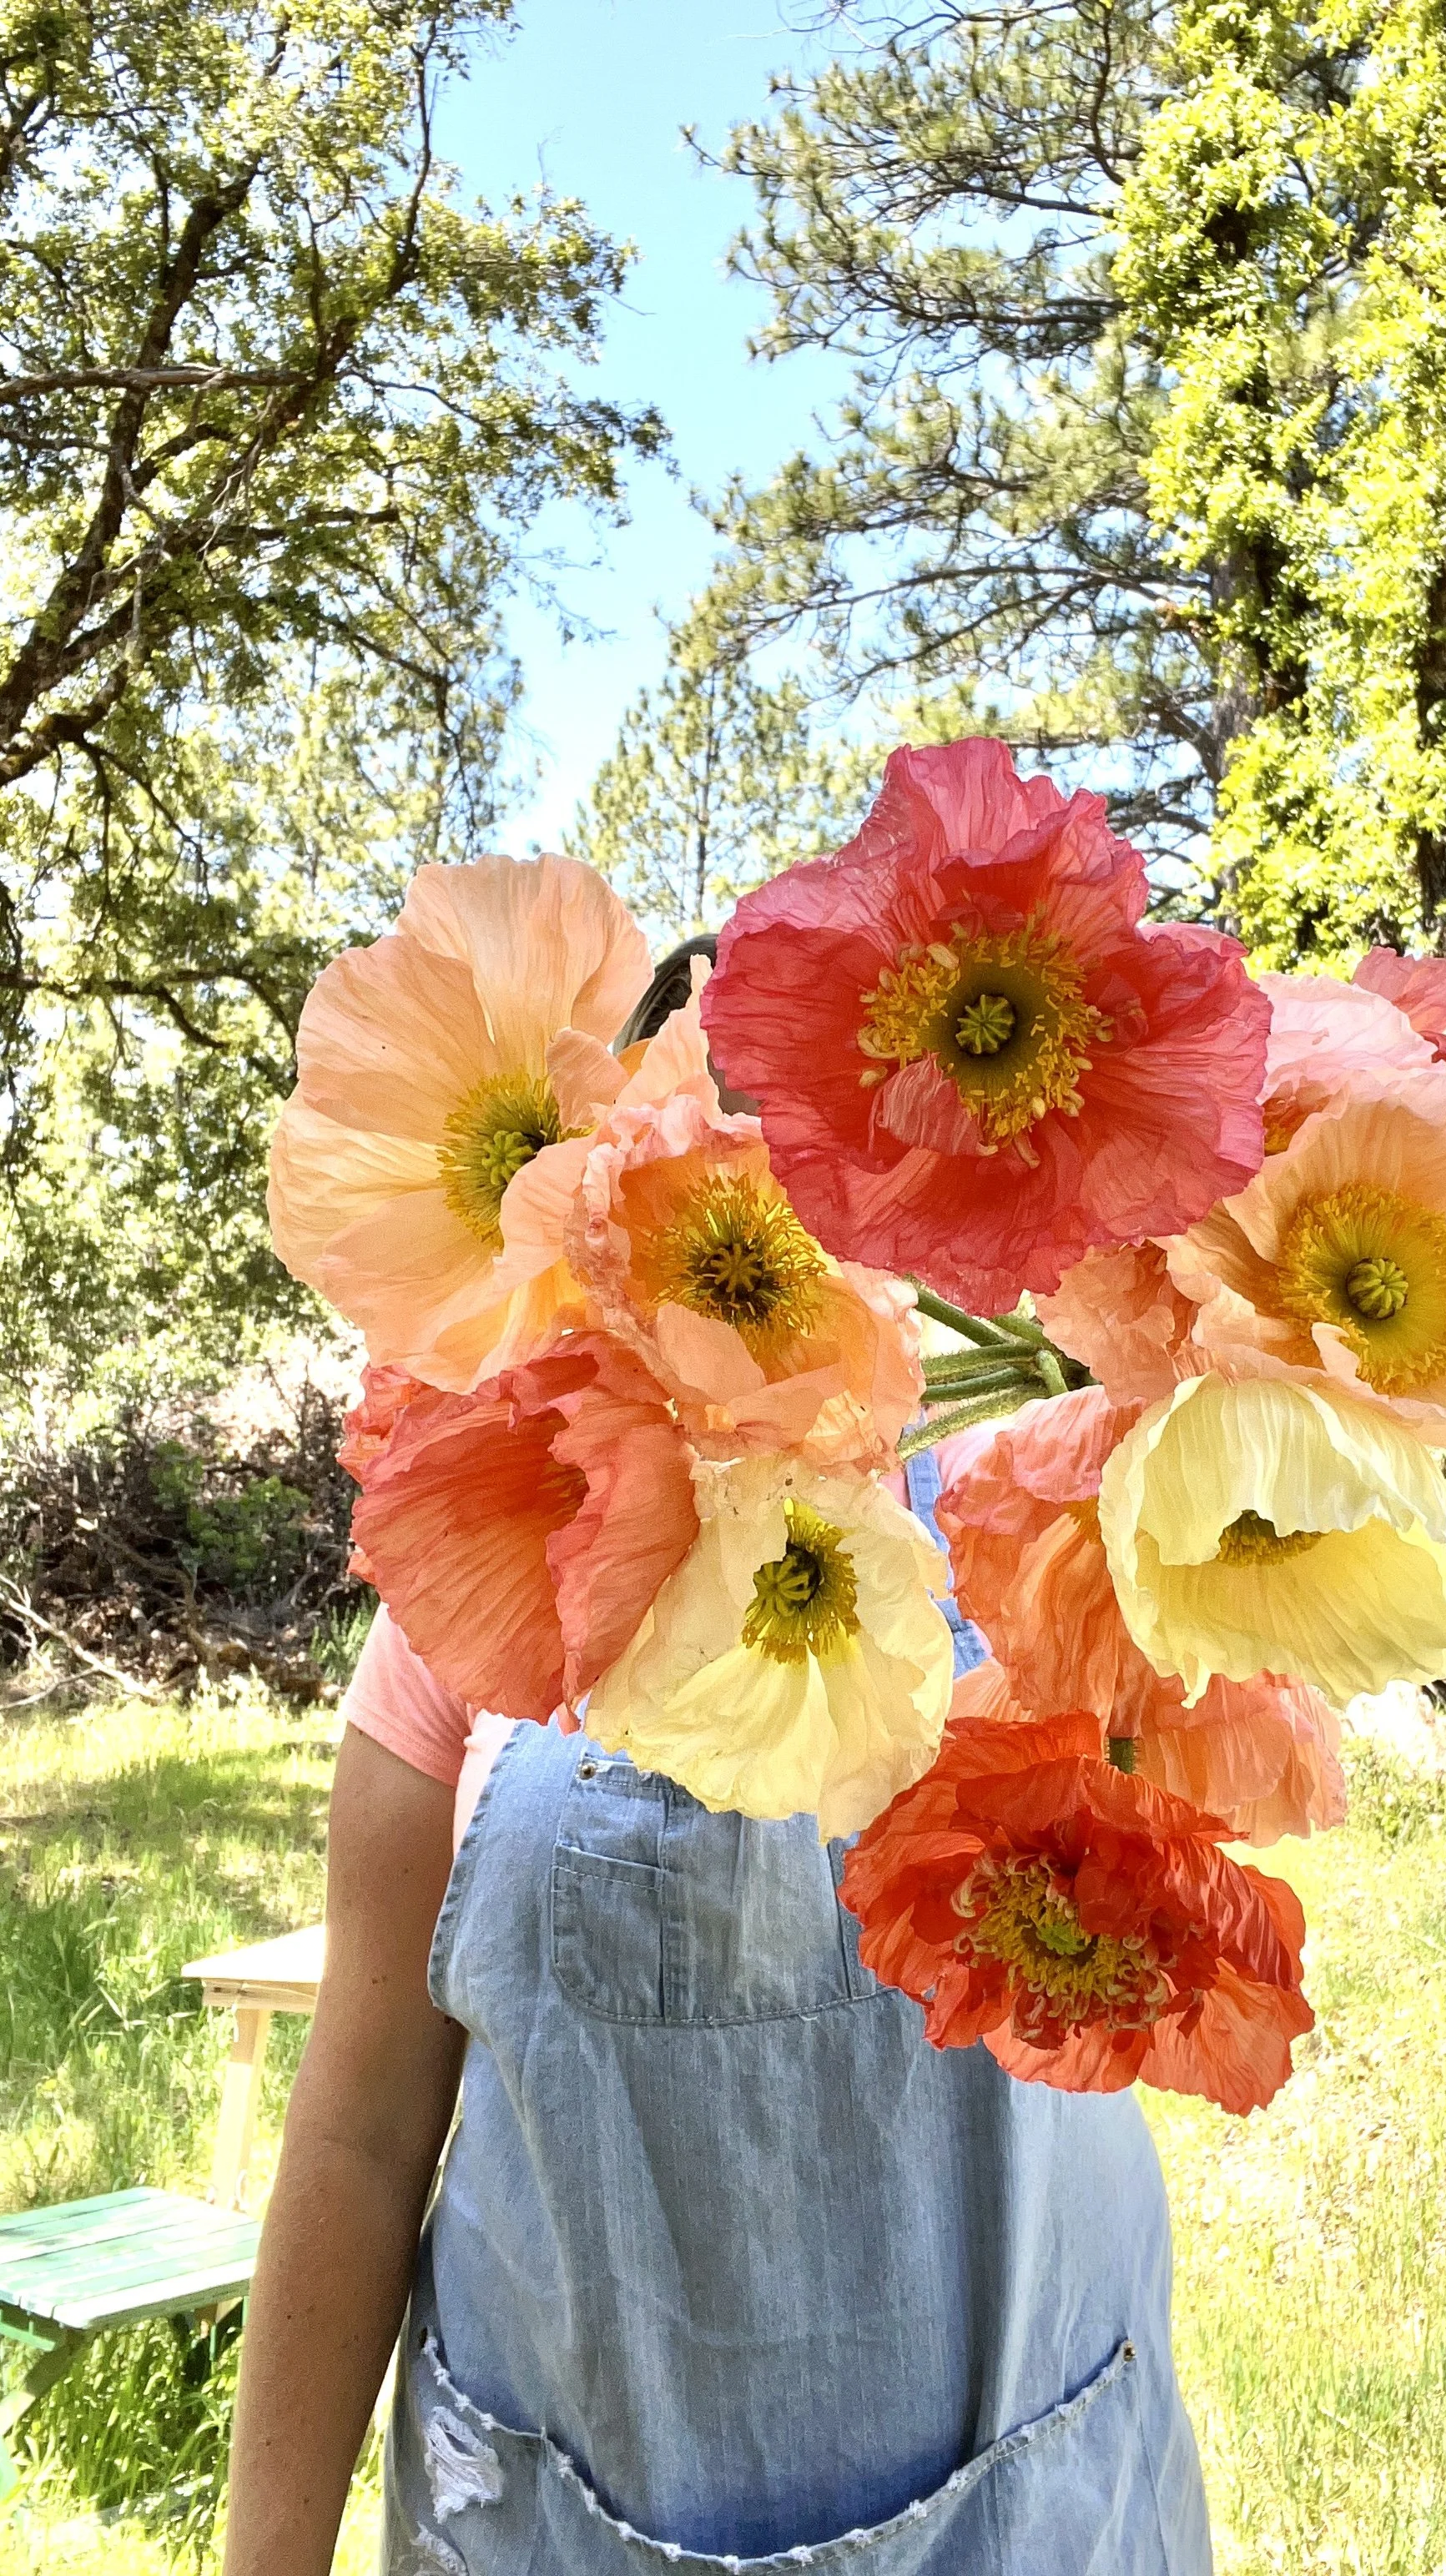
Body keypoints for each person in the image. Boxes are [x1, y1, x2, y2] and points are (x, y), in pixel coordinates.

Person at [223, 942, 1212, 2575]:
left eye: (813, 1135)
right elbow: (358, 2121)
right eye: (696, 1132)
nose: (752, 1191)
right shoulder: (492, 1545)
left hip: (1024, 2505)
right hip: (558, 2521)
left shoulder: (1065, 1494)